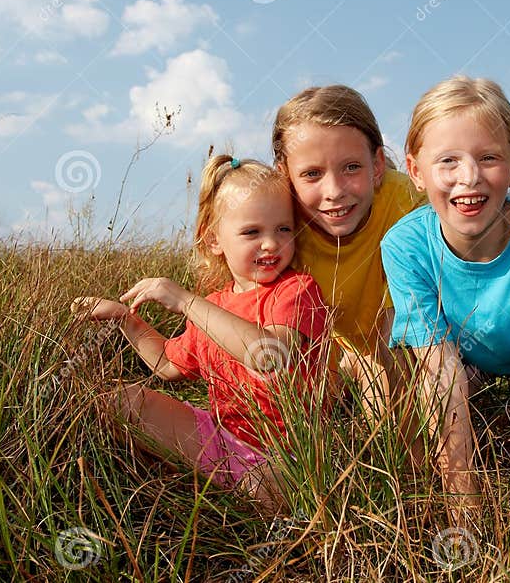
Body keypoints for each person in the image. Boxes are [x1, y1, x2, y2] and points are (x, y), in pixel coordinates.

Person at [380, 76, 510, 527]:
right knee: (444, 389)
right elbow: (439, 374)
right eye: (448, 161)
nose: (469, 177)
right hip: (461, 352)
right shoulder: (403, 247)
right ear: (415, 172)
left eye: (489, 158)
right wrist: (464, 513)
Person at [71, 156, 330, 513]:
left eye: (283, 229)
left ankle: (218, 498)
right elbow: (168, 365)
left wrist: (184, 301)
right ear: (214, 240)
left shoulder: (296, 290)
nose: (271, 243)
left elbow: (269, 355)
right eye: (252, 232)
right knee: (122, 402)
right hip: (221, 437)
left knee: (267, 489)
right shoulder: (213, 306)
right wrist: (124, 320)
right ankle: (181, 488)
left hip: (286, 455)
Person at [272, 85, 424, 415]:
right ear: (285, 176)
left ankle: (412, 464)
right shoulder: (279, 226)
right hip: (331, 351)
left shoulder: (408, 202)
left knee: (390, 358)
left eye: (352, 167)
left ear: (378, 164)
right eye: (312, 173)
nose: (334, 191)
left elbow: (407, 318)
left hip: (412, 340)